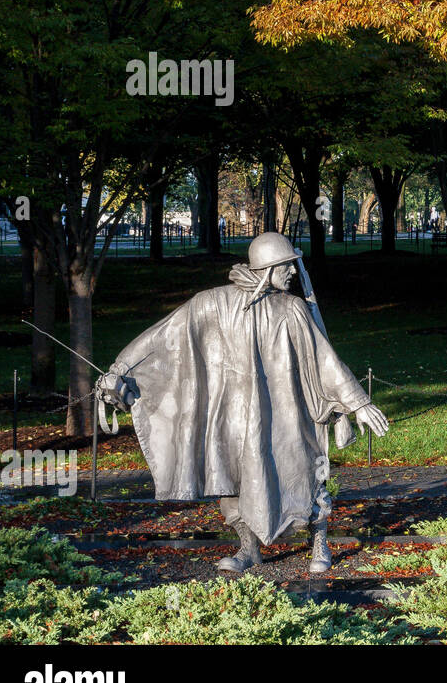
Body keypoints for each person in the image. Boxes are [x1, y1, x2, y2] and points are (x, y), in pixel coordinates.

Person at [98, 232, 388, 574]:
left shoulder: (291, 309)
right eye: (284, 266)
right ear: (266, 269)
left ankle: (319, 542)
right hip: (233, 415)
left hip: (287, 411)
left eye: (292, 266)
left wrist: (357, 402)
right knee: (234, 479)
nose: (292, 273)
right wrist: (118, 372)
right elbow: (164, 337)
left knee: (306, 471)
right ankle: (248, 549)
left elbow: (323, 358)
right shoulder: (211, 304)